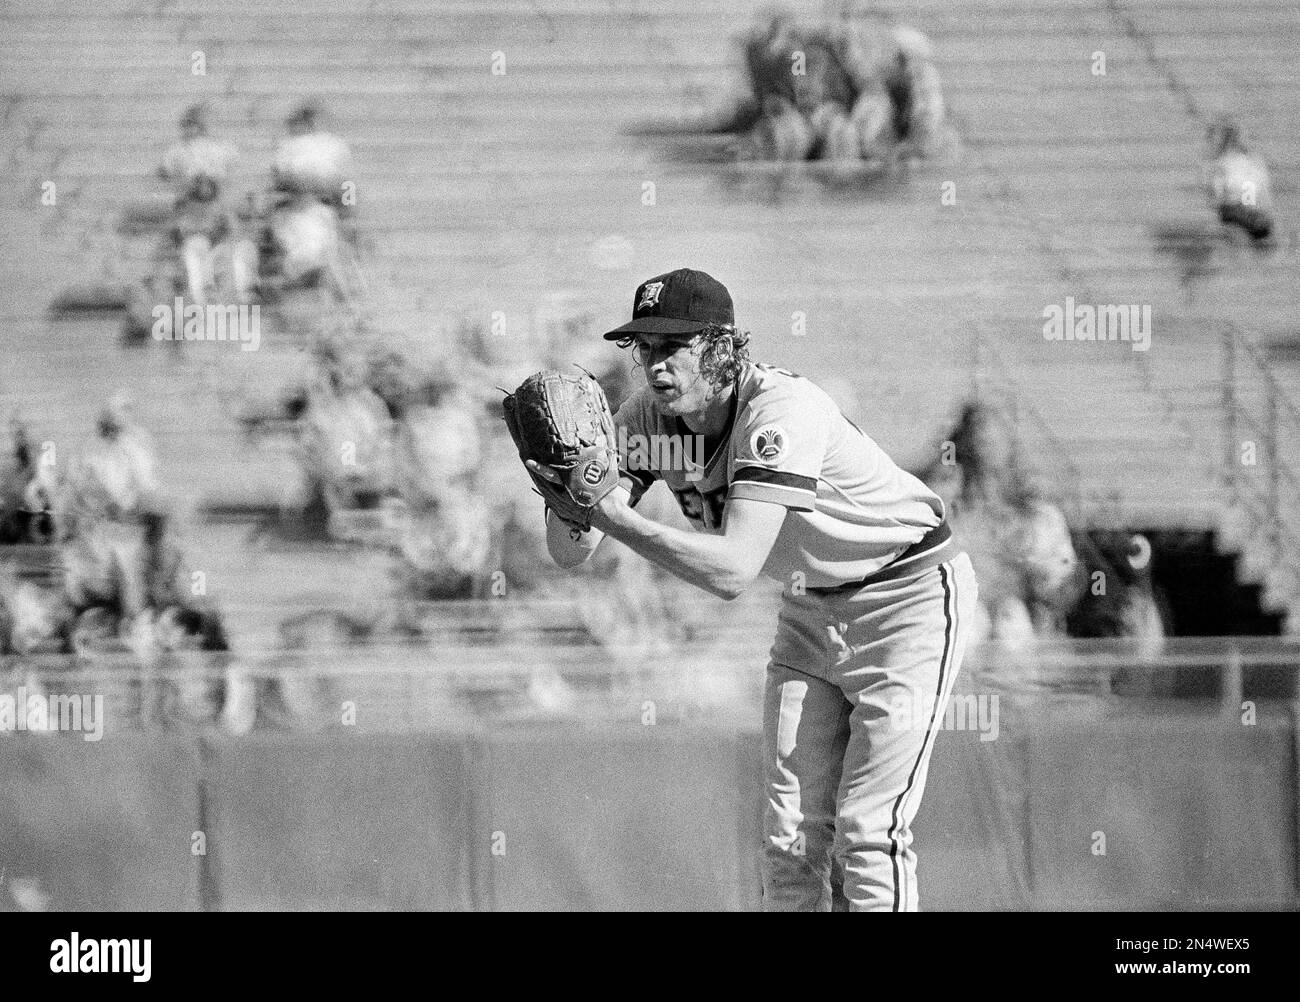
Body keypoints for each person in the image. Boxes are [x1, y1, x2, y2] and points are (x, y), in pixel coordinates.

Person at [532, 268, 978, 910]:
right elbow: (571, 553)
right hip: (810, 608)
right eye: (644, 348)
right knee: (790, 838)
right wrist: (568, 497)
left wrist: (611, 514)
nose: (654, 365)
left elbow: (734, 571)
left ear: (719, 346)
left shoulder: (778, 411)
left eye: (671, 347)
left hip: (906, 596)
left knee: (868, 833)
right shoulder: (644, 420)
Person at [1205, 118, 1274, 242]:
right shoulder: (1250, 201)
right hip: (1239, 179)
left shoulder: (1238, 209)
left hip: (1236, 183)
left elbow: (1219, 195)